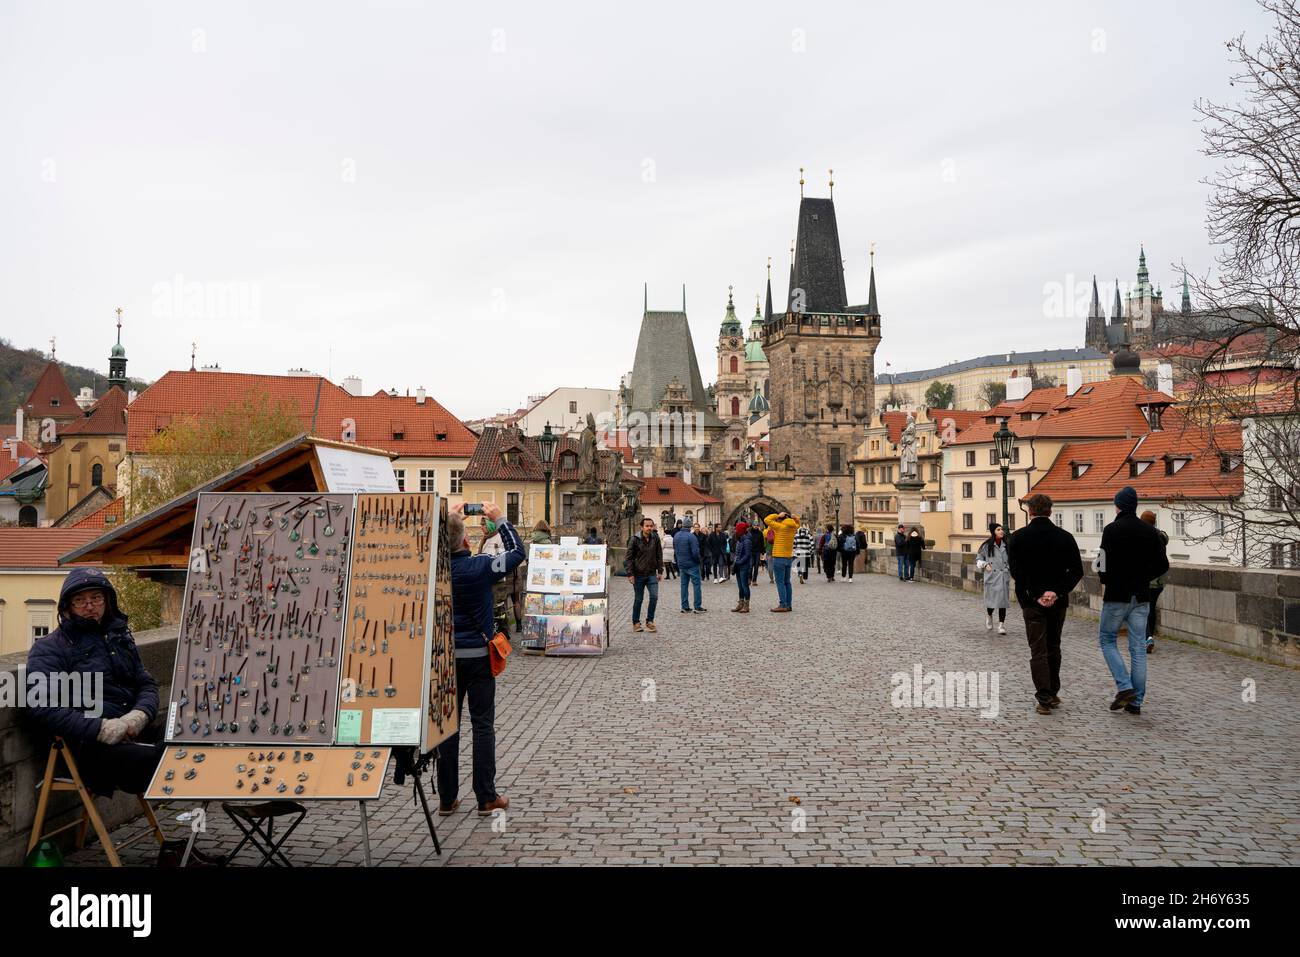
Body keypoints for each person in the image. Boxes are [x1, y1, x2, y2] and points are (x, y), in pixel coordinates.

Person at [25, 568, 164, 797]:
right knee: (162, 761)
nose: (89, 606)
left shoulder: (119, 638)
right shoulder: (49, 648)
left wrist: (138, 716)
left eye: (96, 598)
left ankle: (236, 798)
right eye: (80, 600)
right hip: (90, 746)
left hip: (131, 732)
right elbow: (42, 706)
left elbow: (147, 684)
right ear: (67, 606)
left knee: (187, 731)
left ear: (106, 601)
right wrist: (102, 728)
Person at [436, 502, 524, 816]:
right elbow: (517, 553)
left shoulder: (434, 571)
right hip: (479, 657)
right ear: (466, 541)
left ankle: (447, 798)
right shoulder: (481, 566)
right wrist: (499, 518)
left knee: (448, 728)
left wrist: (451, 518)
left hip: (445, 662)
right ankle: (486, 797)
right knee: (482, 726)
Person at [1007, 494, 1084, 716]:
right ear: (1050, 511)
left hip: (1031, 602)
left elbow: (1016, 571)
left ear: (1030, 511)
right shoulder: (1065, 537)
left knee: (1037, 649)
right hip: (1057, 602)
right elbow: (1076, 571)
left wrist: (1036, 594)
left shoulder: (1019, 538)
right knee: (1054, 646)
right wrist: (1056, 592)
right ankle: (1052, 691)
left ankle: (1044, 697)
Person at [1096, 487, 1169, 716]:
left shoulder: (1111, 530)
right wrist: (1143, 578)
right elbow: (1163, 565)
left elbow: (1102, 564)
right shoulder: (1149, 532)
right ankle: (1136, 701)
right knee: (1138, 647)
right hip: (1141, 596)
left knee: (1107, 639)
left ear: (1118, 506)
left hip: (1117, 595)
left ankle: (1124, 685)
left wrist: (1108, 579)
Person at [625, 517, 663, 634]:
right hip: (638, 574)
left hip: (651, 573)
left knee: (654, 596)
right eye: (647, 526)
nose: (649, 528)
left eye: (651, 526)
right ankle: (636, 623)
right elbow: (629, 558)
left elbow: (659, 554)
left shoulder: (655, 538)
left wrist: (660, 571)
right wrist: (630, 574)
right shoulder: (634, 539)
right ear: (642, 527)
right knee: (639, 599)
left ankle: (649, 621)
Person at [1140, 510, 1168, 654]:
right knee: (1151, 607)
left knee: (1144, 609)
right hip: (1160, 581)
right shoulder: (1161, 536)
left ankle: (1148, 638)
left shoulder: (1144, 536)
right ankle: (1150, 636)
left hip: (1147, 580)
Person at [975, 523, 1011, 634]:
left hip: (1003, 576)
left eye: (1002, 529)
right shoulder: (986, 546)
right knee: (991, 603)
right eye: (998, 529)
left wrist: (1009, 568)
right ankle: (989, 615)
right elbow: (978, 559)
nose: (1001, 531)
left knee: (1002, 603)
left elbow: (1012, 560)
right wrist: (985, 565)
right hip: (992, 577)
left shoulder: (1007, 545)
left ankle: (1001, 625)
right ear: (993, 532)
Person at [763, 511, 801, 612]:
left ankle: (782, 605)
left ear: (781, 519)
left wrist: (776, 515)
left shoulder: (780, 527)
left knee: (780, 582)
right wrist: (795, 517)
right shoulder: (793, 527)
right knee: (787, 582)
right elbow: (798, 523)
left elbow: (766, 520)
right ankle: (788, 605)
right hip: (788, 557)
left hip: (779, 557)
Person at [674, 521, 705, 613]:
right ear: (690, 527)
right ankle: (697, 606)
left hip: (681, 564)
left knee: (684, 585)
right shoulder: (692, 537)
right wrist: (698, 561)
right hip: (692, 564)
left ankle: (685, 606)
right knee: (696, 585)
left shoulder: (676, 535)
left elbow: (675, 549)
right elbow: (695, 552)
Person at [731, 520, 753, 612]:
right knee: (740, 586)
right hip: (738, 566)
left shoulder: (747, 540)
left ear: (741, 531)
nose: (736, 531)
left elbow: (747, 555)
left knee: (745, 586)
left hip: (744, 566)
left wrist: (739, 562)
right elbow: (737, 552)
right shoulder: (740, 539)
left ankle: (746, 605)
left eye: (737, 530)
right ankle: (741, 603)